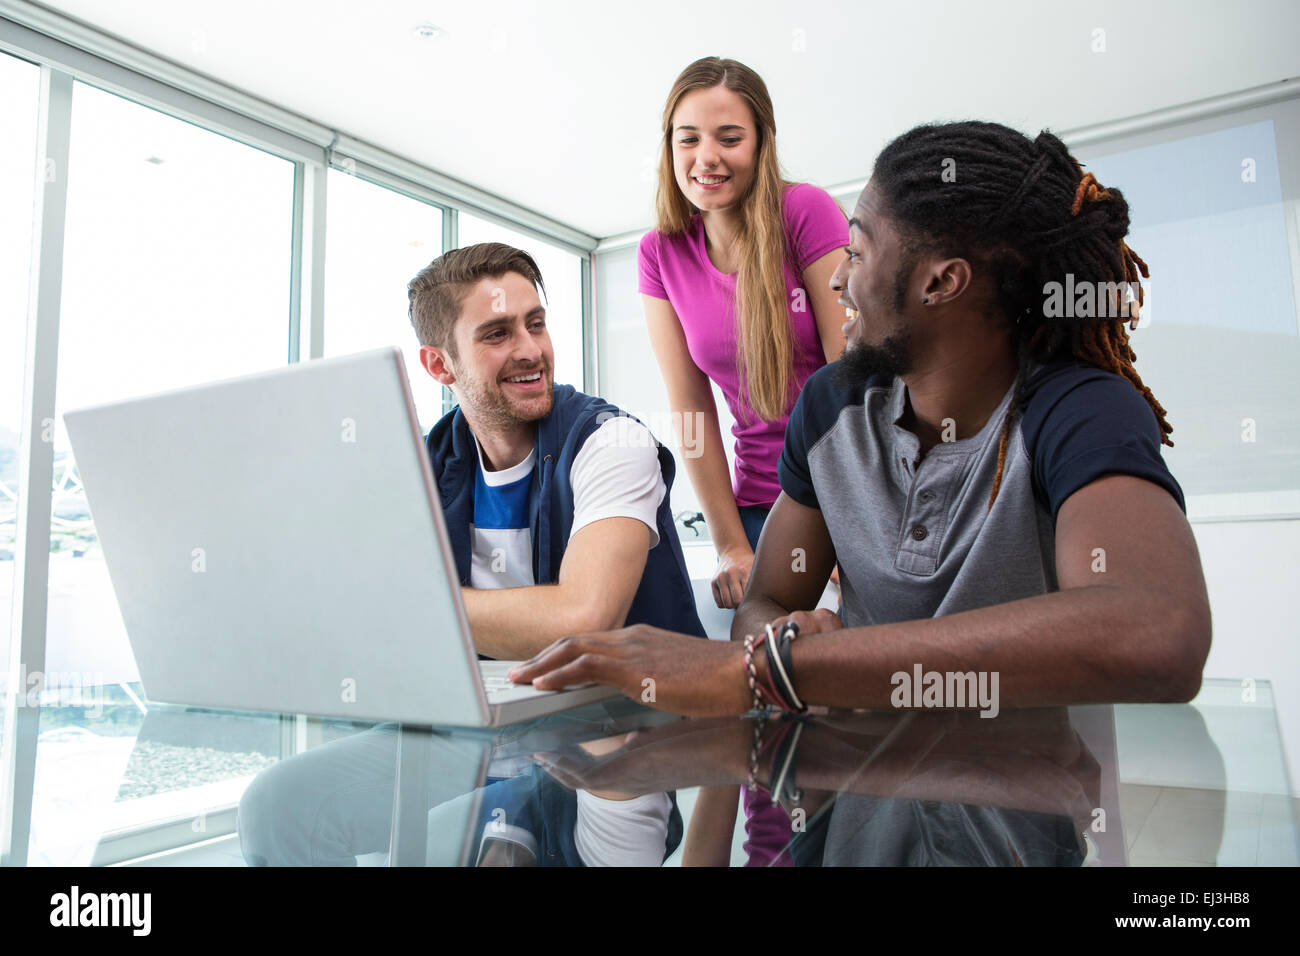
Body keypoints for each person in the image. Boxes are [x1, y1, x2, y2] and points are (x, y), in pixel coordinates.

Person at [507, 121, 1211, 725]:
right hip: (860, 796)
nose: (838, 279)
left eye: (861, 248)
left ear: (942, 281)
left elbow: (1156, 635)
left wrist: (780, 671)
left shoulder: (1078, 409)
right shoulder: (831, 404)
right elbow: (771, 601)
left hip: (1030, 805)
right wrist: (785, 636)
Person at [237, 242, 705, 866]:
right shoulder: (426, 465)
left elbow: (582, 618)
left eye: (535, 323)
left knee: (478, 831)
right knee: (278, 802)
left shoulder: (611, 443)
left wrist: (408, 606)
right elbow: (361, 612)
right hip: (479, 722)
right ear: (439, 364)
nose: (530, 349)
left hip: (609, 723)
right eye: (497, 333)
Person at [639, 55, 849, 865]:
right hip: (759, 505)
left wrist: (842, 544)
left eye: (730, 136)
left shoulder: (805, 214)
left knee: (836, 701)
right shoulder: (662, 252)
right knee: (758, 704)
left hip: (841, 491)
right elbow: (691, 414)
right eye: (689, 138)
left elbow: (848, 385)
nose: (707, 157)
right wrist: (731, 542)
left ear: (762, 142)